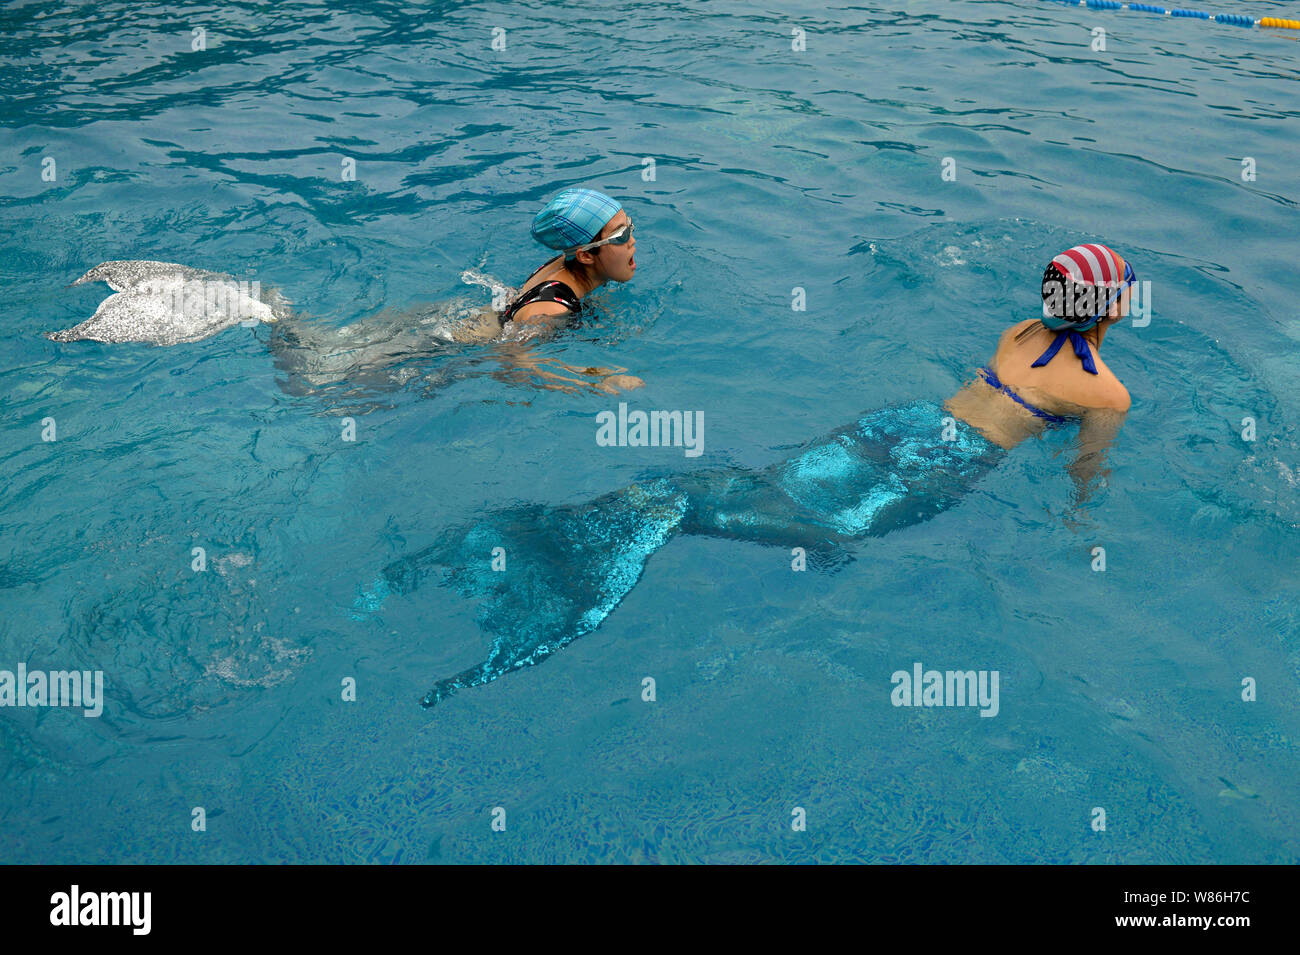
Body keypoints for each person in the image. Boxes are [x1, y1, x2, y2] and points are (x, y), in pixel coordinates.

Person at [356, 244, 1136, 707]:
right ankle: (581, 569)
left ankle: (552, 531)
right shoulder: (1107, 392)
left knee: (758, 486)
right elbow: (1083, 473)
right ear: (1111, 306)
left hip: (899, 424)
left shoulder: (1018, 329)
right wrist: (1083, 526)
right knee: (823, 528)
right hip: (947, 464)